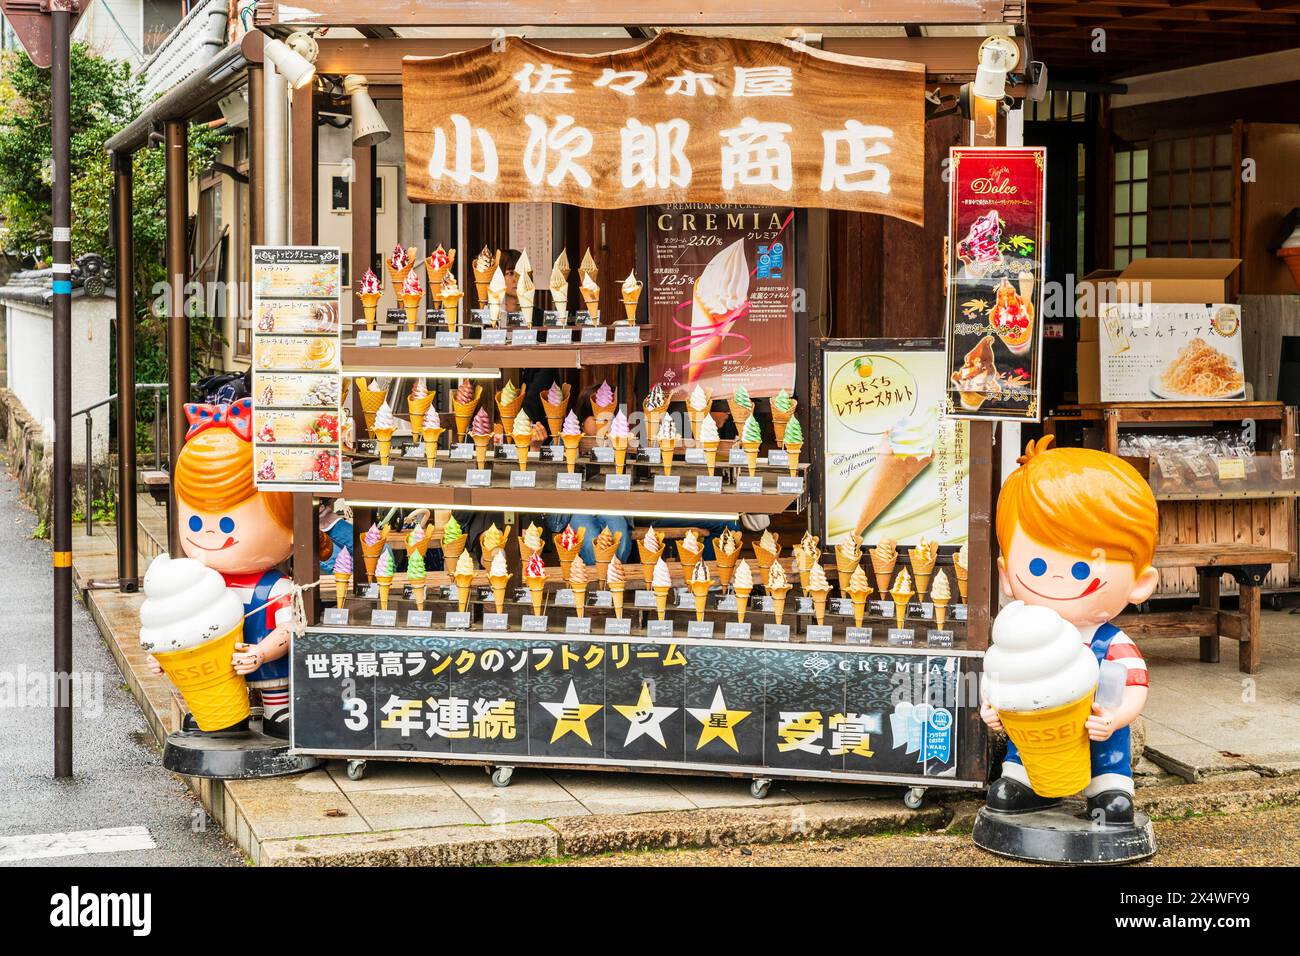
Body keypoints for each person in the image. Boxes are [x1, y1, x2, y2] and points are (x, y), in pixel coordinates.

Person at [980, 436, 1159, 824]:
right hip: (1030, 745)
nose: (1059, 577)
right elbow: (997, 675)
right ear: (1006, 574)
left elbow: (1135, 685)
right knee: (1021, 761)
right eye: (1038, 567)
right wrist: (991, 708)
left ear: (1140, 582)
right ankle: (1027, 783)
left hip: (1102, 734)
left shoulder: (1112, 644)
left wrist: (1116, 717)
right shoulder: (1017, 637)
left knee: (1108, 762)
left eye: (1082, 569)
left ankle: (1109, 786)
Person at [146, 398, 297, 737]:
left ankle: (276, 710)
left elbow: (288, 630)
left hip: (268, 667)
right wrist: (166, 656)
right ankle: (227, 713)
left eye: (228, 523)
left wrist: (260, 652)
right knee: (222, 712)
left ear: (289, 525)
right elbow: (179, 628)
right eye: (196, 521)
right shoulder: (198, 583)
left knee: (276, 701)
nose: (210, 533)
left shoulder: (277, 588)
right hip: (219, 679)